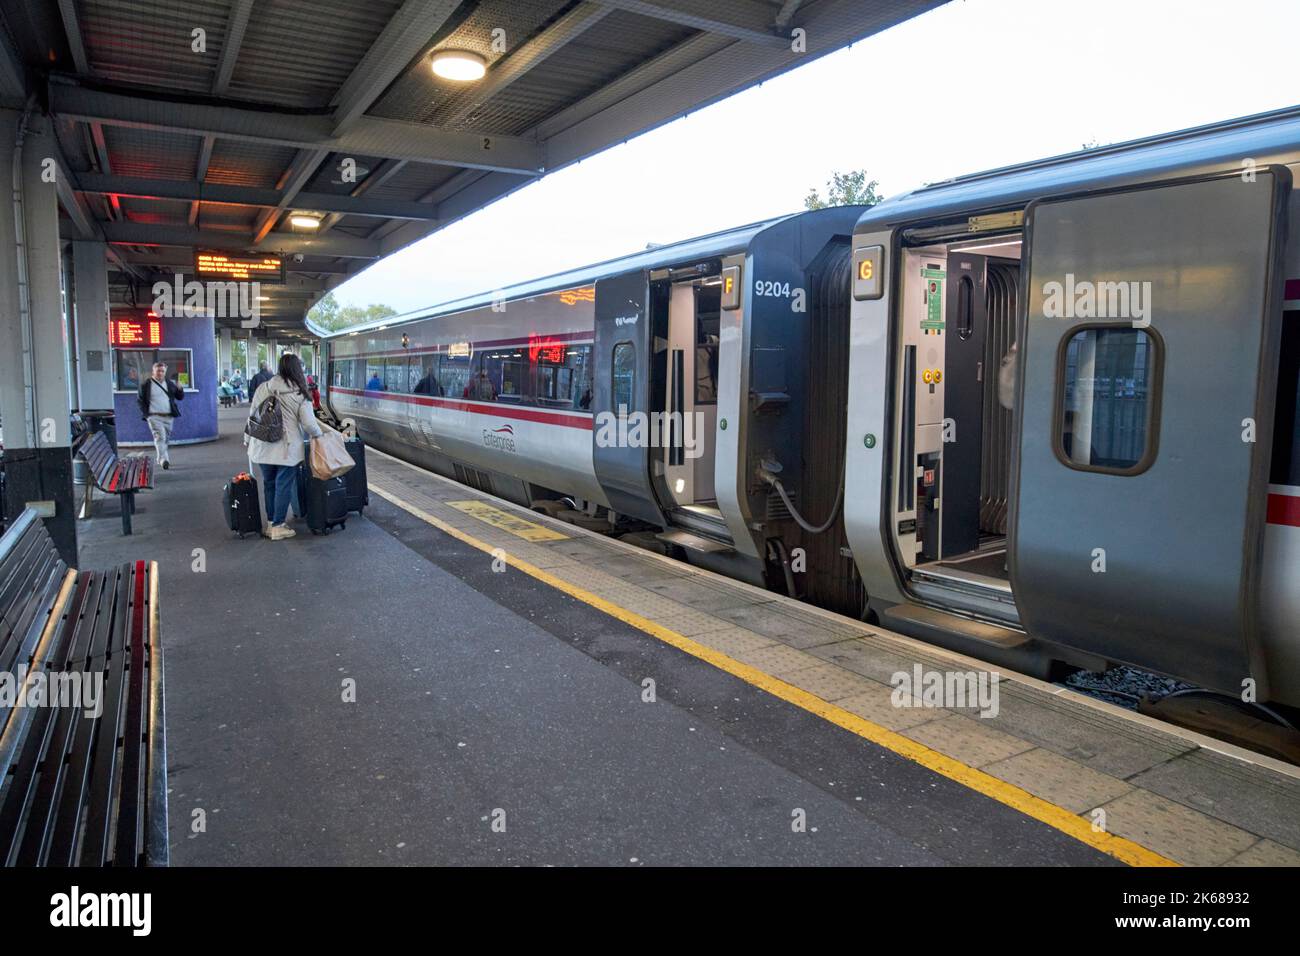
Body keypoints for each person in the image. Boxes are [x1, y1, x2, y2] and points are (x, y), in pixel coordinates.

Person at [245, 353, 323, 541]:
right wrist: (320, 435)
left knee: (269, 484)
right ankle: (279, 526)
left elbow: (252, 415)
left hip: (262, 444)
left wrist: (247, 439)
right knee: (283, 486)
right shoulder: (299, 393)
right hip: (286, 448)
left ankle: (272, 523)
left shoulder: (264, 387)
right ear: (297, 369)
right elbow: (309, 425)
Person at [136, 361, 184, 469]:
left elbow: (179, 397)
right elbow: (140, 400)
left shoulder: (169, 383)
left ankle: (161, 458)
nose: (160, 373)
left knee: (165, 439)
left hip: (168, 416)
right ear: (153, 371)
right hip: (154, 416)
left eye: (162, 371)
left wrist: (180, 388)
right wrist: (147, 415)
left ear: (165, 372)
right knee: (160, 437)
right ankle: (163, 460)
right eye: (158, 371)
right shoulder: (146, 384)